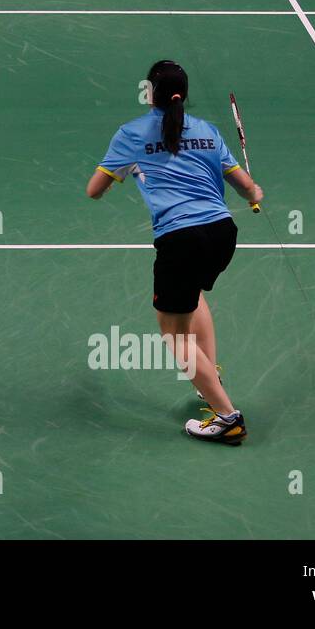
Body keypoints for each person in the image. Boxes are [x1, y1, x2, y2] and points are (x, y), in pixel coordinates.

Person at [85, 60, 263, 445]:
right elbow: (245, 186)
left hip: (181, 239)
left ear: (150, 93)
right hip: (221, 234)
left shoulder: (131, 134)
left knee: (174, 336)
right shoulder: (208, 132)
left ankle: (227, 418)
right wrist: (254, 194)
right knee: (192, 295)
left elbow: (94, 190)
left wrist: (130, 167)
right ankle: (208, 377)